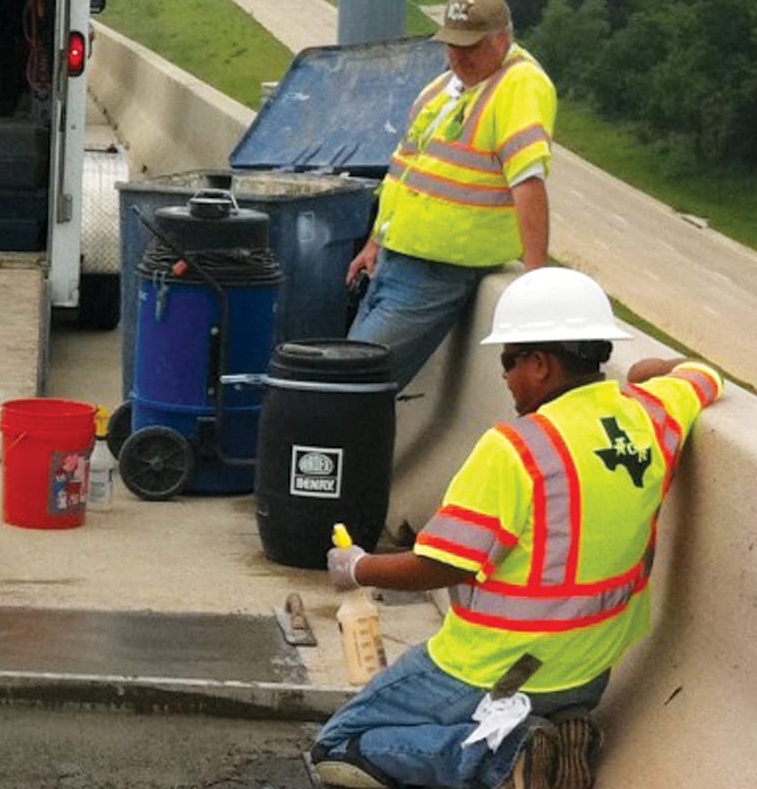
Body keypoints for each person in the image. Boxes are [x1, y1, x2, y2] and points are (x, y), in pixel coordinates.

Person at [310, 268, 724, 789]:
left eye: (508, 361)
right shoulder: (654, 415)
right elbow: (703, 376)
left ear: (541, 364)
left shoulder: (516, 450)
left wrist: (359, 568)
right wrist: (654, 368)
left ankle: (507, 754)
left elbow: (441, 563)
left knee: (340, 746)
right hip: (587, 672)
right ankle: (560, 731)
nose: (505, 376)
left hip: (493, 669)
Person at [346, 0, 557, 389]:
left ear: (501, 39)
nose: (457, 58)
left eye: (470, 48)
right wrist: (376, 241)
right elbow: (406, 171)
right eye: (451, 47)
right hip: (395, 259)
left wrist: (535, 280)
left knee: (356, 382)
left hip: (437, 271)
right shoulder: (445, 87)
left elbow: (528, 182)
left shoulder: (520, 86)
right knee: (352, 378)